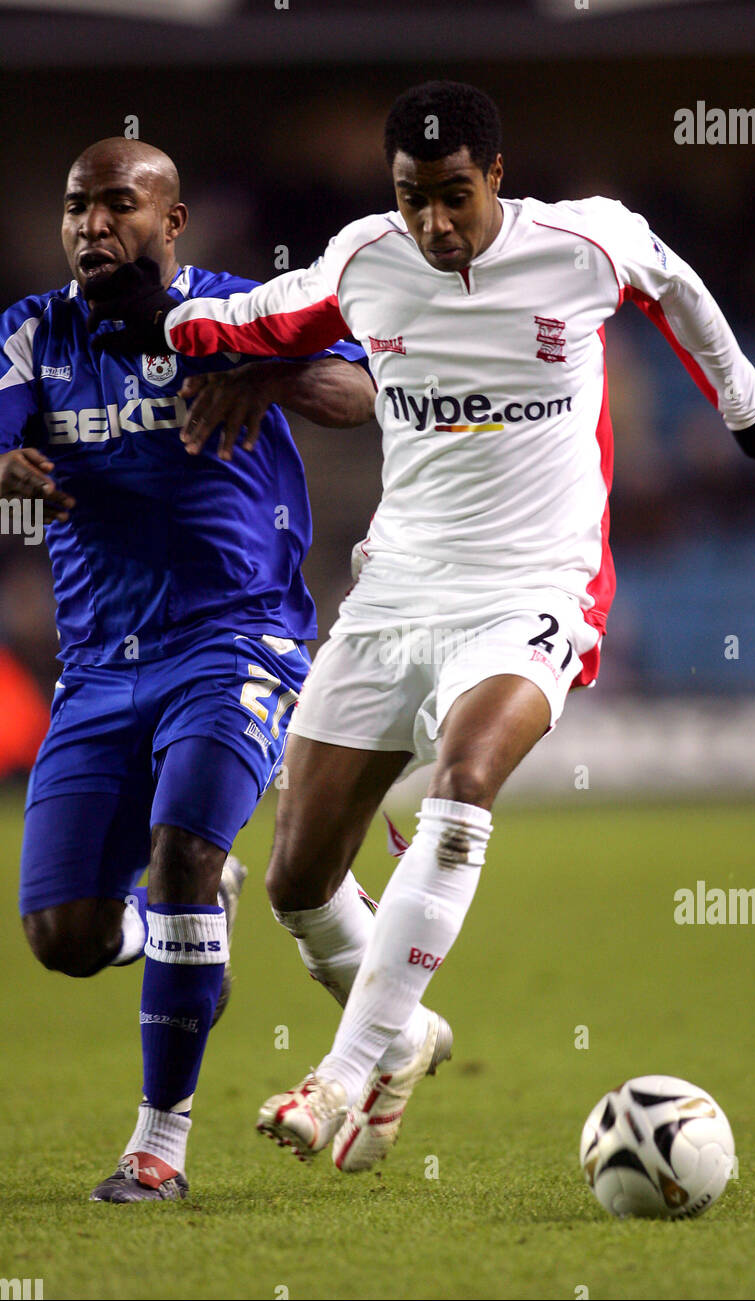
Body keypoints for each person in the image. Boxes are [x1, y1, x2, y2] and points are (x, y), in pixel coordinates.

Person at [86, 83, 755, 1174]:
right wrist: (160, 312)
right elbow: (243, 318)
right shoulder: (366, 260)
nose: (434, 224)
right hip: (397, 591)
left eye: (454, 197)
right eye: (413, 199)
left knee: (464, 786)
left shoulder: (585, 243)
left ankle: (338, 1076)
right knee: (293, 879)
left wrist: (748, 406)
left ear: (495, 177)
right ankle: (405, 1040)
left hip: (535, 586)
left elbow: (677, 284)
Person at [1, 136, 448, 1204]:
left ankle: (159, 1145)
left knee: (184, 848)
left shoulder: (234, 309)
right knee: (63, 938)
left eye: (118, 205)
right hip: (100, 663)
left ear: (173, 220)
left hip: (235, 639)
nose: (92, 226)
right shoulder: (32, 331)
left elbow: (358, 390)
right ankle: (176, 917)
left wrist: (264, 367)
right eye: (76, 207)